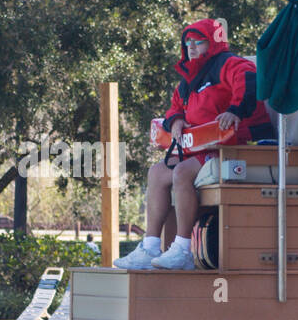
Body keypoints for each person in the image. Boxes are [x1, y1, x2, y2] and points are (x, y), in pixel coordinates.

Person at [115, 18, 273, 270]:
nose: (191, 47)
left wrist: (235, 111)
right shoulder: (190, 78)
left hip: (235, 147)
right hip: (201, 148)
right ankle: (150, 246)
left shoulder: (229, 63)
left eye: (197, 42)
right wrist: (175, 120)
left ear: (212, 42)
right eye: (187, 42)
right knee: (156, 172)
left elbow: (249, 80)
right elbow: (174, 107)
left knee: (181, 173)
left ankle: (182, 249)